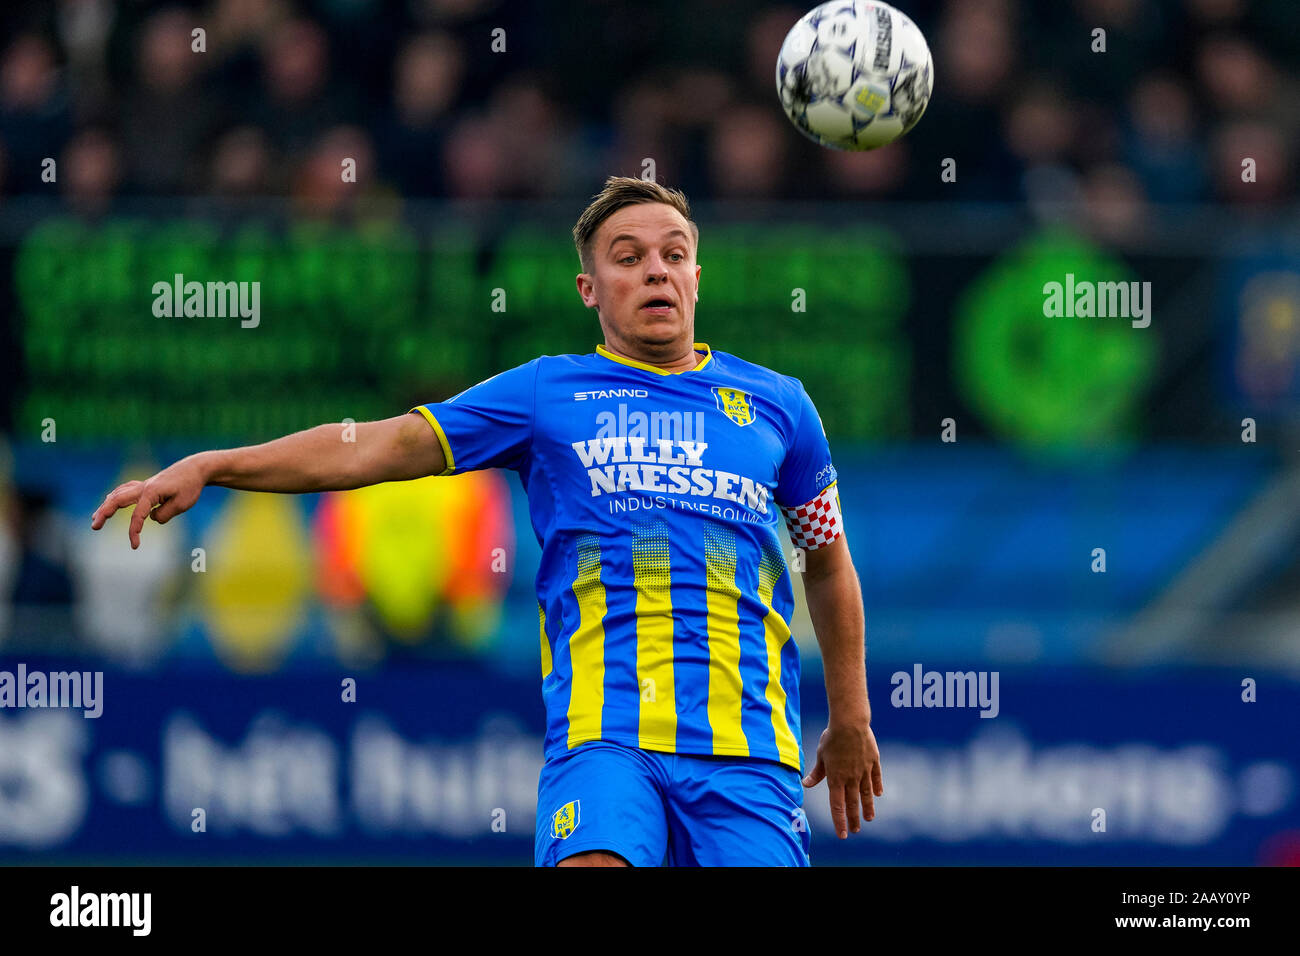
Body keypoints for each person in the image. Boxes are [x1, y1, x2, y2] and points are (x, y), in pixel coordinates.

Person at [90, 176, 883, 866]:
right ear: (589, 287)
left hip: (748, 750)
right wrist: (215, 463)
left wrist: (850, 714)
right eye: (628, 256)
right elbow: (374, 446)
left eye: (673, 254)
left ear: (698, 277)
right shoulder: (546, 395)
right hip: (604, 737)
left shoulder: (780, 407)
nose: (655, 272)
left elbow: (828, 560)